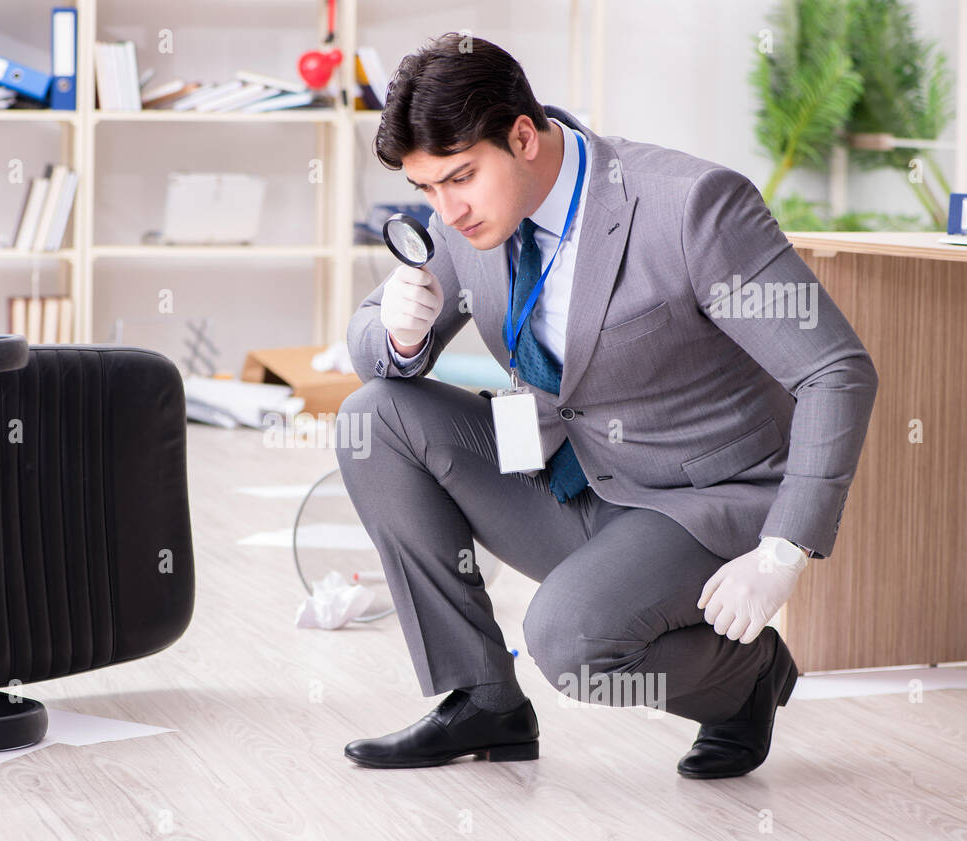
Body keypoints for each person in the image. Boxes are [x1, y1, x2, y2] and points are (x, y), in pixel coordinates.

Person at [335, 33, 878, 778]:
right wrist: (396, 331)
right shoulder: (465, 219)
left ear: (522, 135)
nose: (446, 210)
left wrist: (785, 548)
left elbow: (836, 370)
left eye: (459, 178)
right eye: (427, 189)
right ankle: (483, 699)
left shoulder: (689, 207)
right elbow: (370, 338)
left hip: (699, 502)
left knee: (571, 644)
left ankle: (744, 678)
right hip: (575, 478)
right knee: (374, 417)